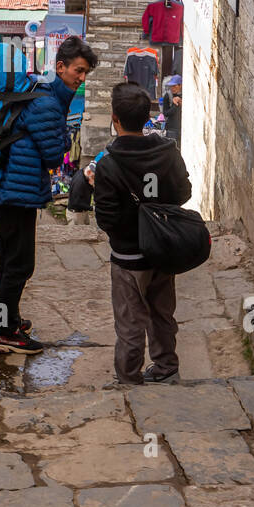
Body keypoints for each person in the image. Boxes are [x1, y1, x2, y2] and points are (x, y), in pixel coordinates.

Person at [0, 35, 98, 355]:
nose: (81, 78)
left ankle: (9, 320)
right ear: (59, 67)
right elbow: (54, 156)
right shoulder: (48, 103)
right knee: (20, 264)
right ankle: (5, 332)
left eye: (85, 73)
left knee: (8, 258)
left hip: (7, 189)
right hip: (15, 192)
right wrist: (62, 140)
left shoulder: (43, 92)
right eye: (78, 71)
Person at [93, 80, 192, 385]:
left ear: (115, 118)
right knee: (163, 313)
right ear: (148, 117)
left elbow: (105, 219)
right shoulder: (168, 151)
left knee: (130, 322)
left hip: (128, 257)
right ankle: (166, 368)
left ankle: (129, 379)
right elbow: (184, 192)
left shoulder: (108, 165)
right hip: (163, 251)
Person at [161, 74, 182, 146]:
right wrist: (175, 105)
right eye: (171, 86)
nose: (172, 88)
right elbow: (165, 113)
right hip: (171, 128)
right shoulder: (168, 96)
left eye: (175, 86)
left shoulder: (185, 95)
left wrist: (181, 102)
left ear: (180, 86)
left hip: (182, 128)